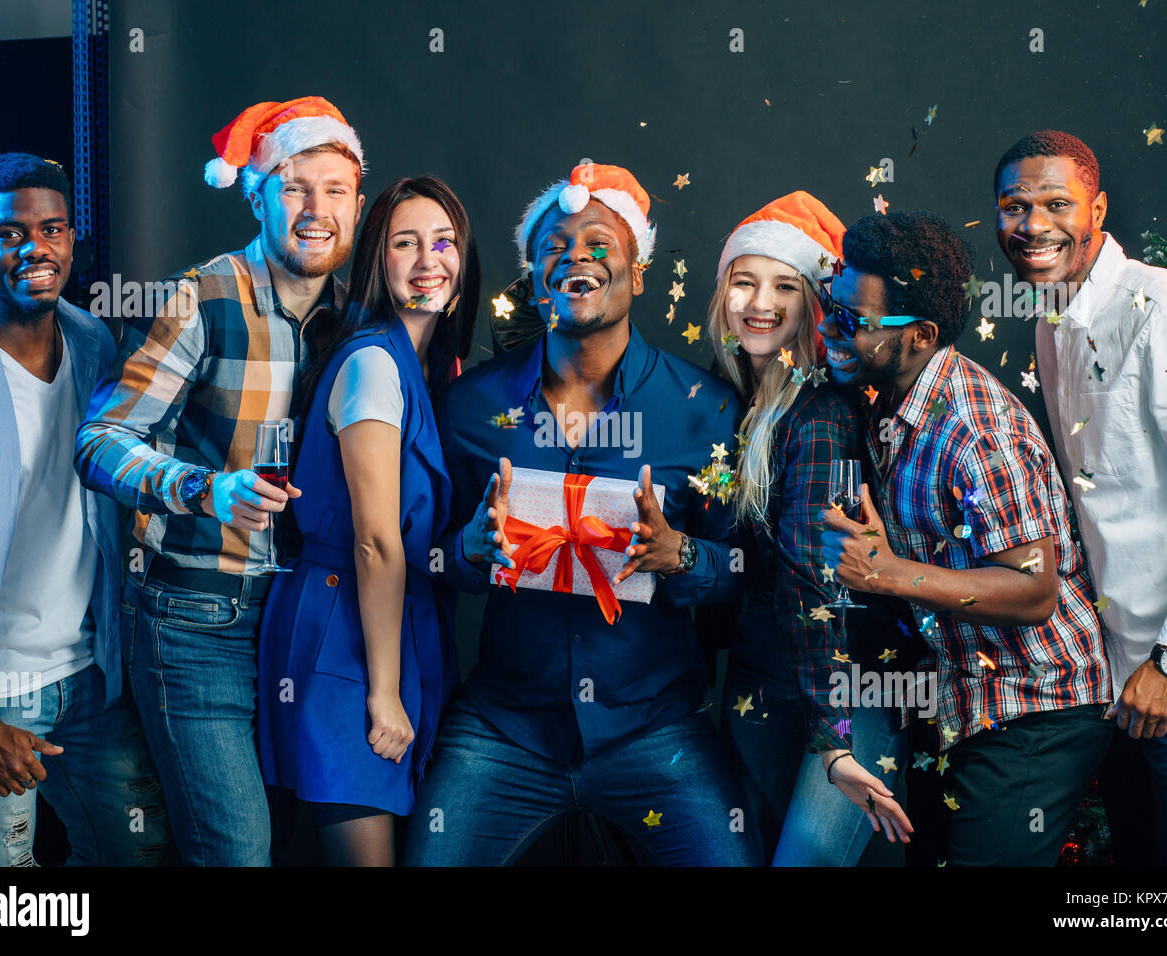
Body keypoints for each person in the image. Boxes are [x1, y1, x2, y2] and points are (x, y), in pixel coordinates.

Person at [403, 161, 760, 866]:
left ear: (638, 272)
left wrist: (680, 556)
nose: (576, 256)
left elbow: (746, 571)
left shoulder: (707, 410)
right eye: (554, 248)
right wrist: (470, 548)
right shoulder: (470, 406)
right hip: (506, 726)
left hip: (656, 727)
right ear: (536, 281)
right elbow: (425, 557)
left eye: (600, 243)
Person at [75, 97, 365, 865]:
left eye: (335, 190)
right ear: (256, 194)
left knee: (301, 840)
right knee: (236, 851)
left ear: (357, 204)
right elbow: (99, 441)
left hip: (304, 622)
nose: (316, 209)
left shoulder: (358, 318)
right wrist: (208, 489)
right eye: (295, 186)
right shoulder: (199, 298)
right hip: (195, 621)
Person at [818, 210, 1114, 866]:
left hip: (1036, 704)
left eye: (848, 321)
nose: (824, 328)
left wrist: (889, 572)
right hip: (960, 703)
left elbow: (1035, 589)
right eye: (828, 305)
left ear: (920, 335)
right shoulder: (882, 396)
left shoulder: (978, 432)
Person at [995, 130, 1167, 865]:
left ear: (1096, 208)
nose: (1034, 226)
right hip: (1124, 678)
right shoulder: (1052, 320)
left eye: (1056, 203)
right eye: (1014, 206)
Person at [0, 153, 167, 866]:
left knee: (139, 852)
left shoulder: (95, 342)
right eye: (10, 235)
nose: (36, 248)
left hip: (91, 678)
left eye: (54, 228)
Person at [257, 176, 479, 866]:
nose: (426, 261)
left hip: (387, 625)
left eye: (442, 243)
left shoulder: (425, 367)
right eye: (403, 243)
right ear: (376, 262)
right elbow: (378, 541)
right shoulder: (374, 363)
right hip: (341, 634)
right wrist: (384, 690)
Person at [706, 191, 914, 864]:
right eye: (744, 281)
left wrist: (835, 743)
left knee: (805, 857)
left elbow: (814, 583)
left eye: (784, 286)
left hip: (847, 687)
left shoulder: (819, 411)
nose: (759, 303)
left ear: (813, 304)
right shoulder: (732, 399)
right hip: (761, 681)